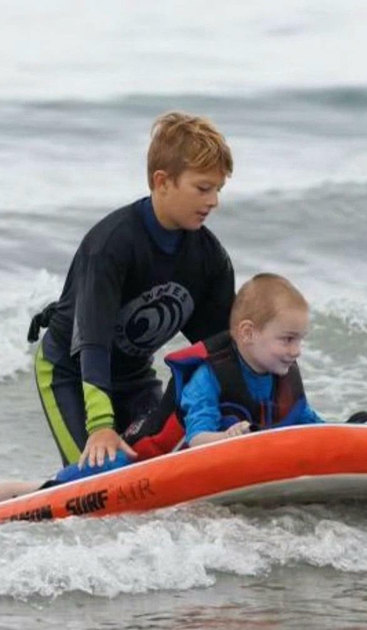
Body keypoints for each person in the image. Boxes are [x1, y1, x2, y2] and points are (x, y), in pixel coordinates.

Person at [0, 273, 326, 518]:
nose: (296, 350)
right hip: (136, 460)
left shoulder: (281, 374)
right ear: (248, 333)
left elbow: (308, 426)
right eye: (287, 339)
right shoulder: (209, 373)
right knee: (43, 493)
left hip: (183, 467)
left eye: (299, 340)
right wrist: (231, 438)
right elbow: (201, 438)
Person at [27, 111, 236, 471]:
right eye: (203, 188)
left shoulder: (210, 260)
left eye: (218, 189)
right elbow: (91, 342)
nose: (214, 200)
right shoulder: (112, 245)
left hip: (135, 379)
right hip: (70, 373)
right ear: (162, 181)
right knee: (93, 478)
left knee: (157, 465)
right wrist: (101, 427)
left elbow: (221, 349)